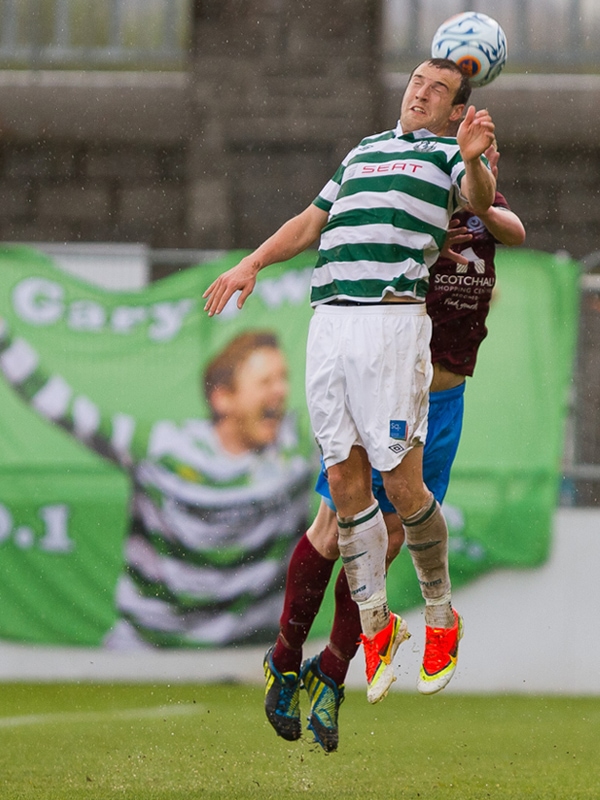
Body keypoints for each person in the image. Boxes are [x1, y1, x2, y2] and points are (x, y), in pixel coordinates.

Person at [204, 57, 496, 708]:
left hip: (392, 329)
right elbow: (311, 223)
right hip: (330, 321)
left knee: (400, 494)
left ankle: (436, 615)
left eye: (438, 89)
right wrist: (252, 261)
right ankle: (353, 637)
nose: (421, 93)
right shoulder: (363, 150)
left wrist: (474, 161)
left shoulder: (453, 160)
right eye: (418, 81)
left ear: (455, 110)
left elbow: (480, 203)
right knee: (341, 493)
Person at [263, 140, 526, 751]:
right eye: (469, 157)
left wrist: (480, 203)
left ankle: (331, 673)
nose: (476, 166)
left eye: (486, 158)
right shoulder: (409, 216)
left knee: (396, 533)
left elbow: (510, 227)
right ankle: (284, 657)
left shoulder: (485, 211)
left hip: (442, 400)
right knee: (335, 525)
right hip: (380, 384)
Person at [0, 325, 314, 647]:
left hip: (251, 650)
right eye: (266, 381)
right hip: (149, 646)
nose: (280, 391)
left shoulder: (298, 446)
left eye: (283, 378)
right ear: (222, 398)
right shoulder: (165, 450)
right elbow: (67, 409)